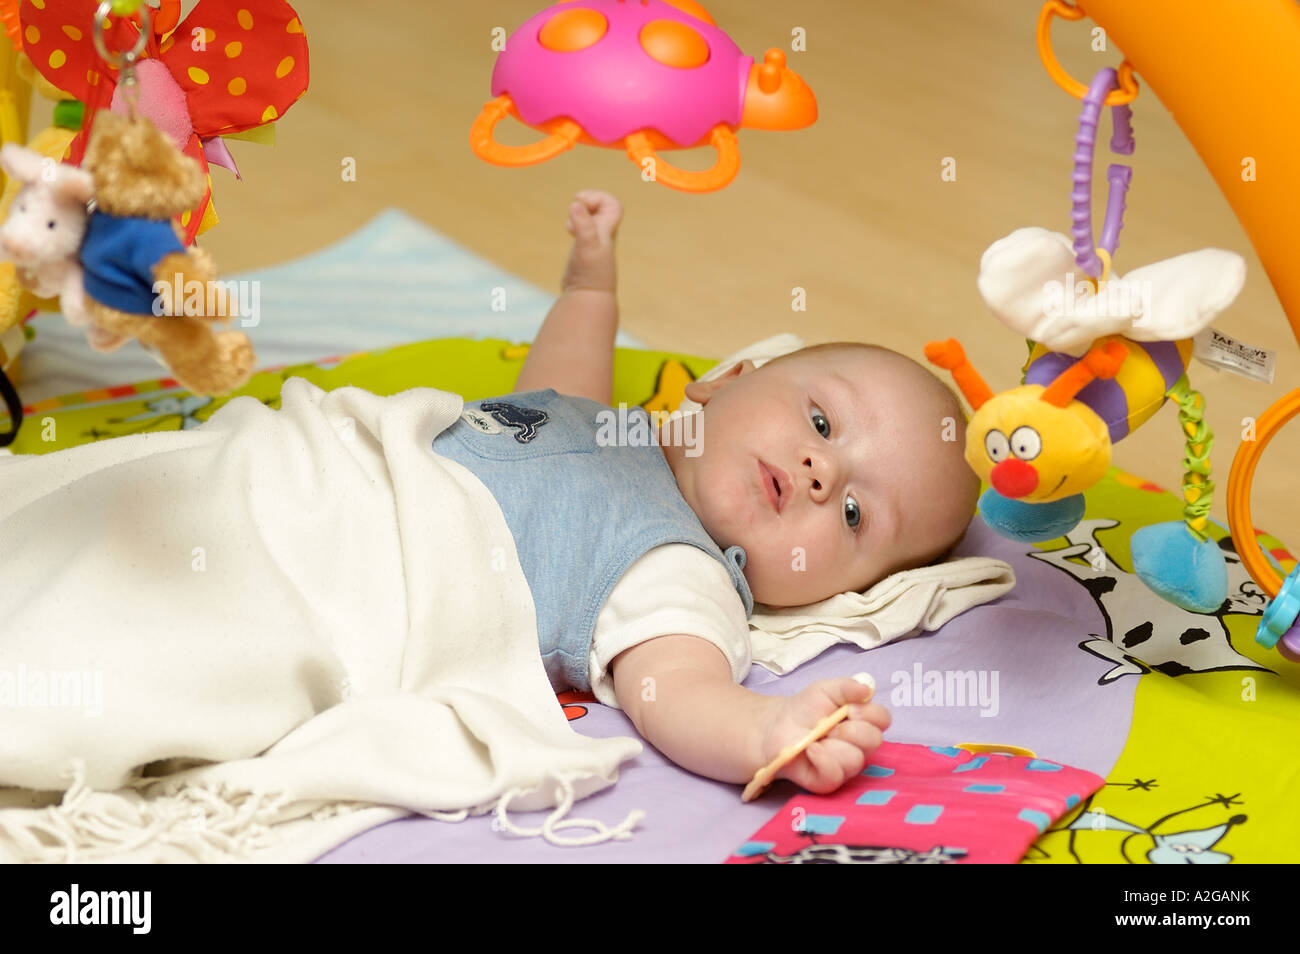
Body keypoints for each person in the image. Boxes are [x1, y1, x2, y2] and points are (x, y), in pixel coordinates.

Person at [440, 190, 981, 796]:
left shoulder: (679, 573)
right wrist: (588, 293)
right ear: (722, 384)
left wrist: (769, 730)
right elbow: (556, 395)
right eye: (822, 422)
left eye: (855, 515)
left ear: (835, 593)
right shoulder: (612, 429)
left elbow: (680, 692)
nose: (821, 470)